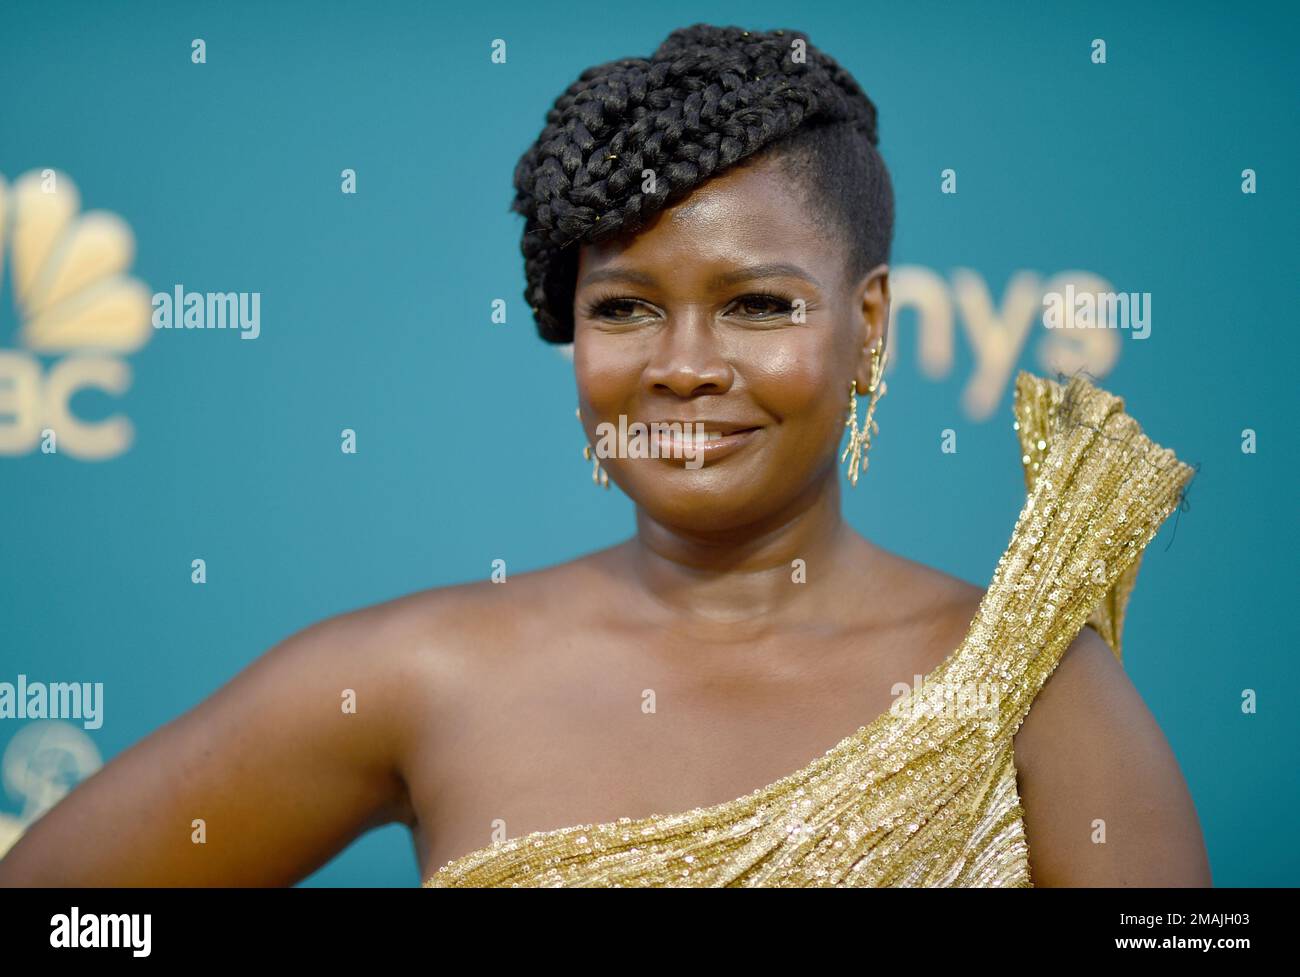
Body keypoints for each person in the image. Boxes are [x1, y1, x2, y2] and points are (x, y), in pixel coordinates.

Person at [0, 23, 1210, 888]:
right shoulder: (423, 671)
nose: (682, 365)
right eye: (624, 308)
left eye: (756, 305)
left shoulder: (1028, 687)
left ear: (871, 325)